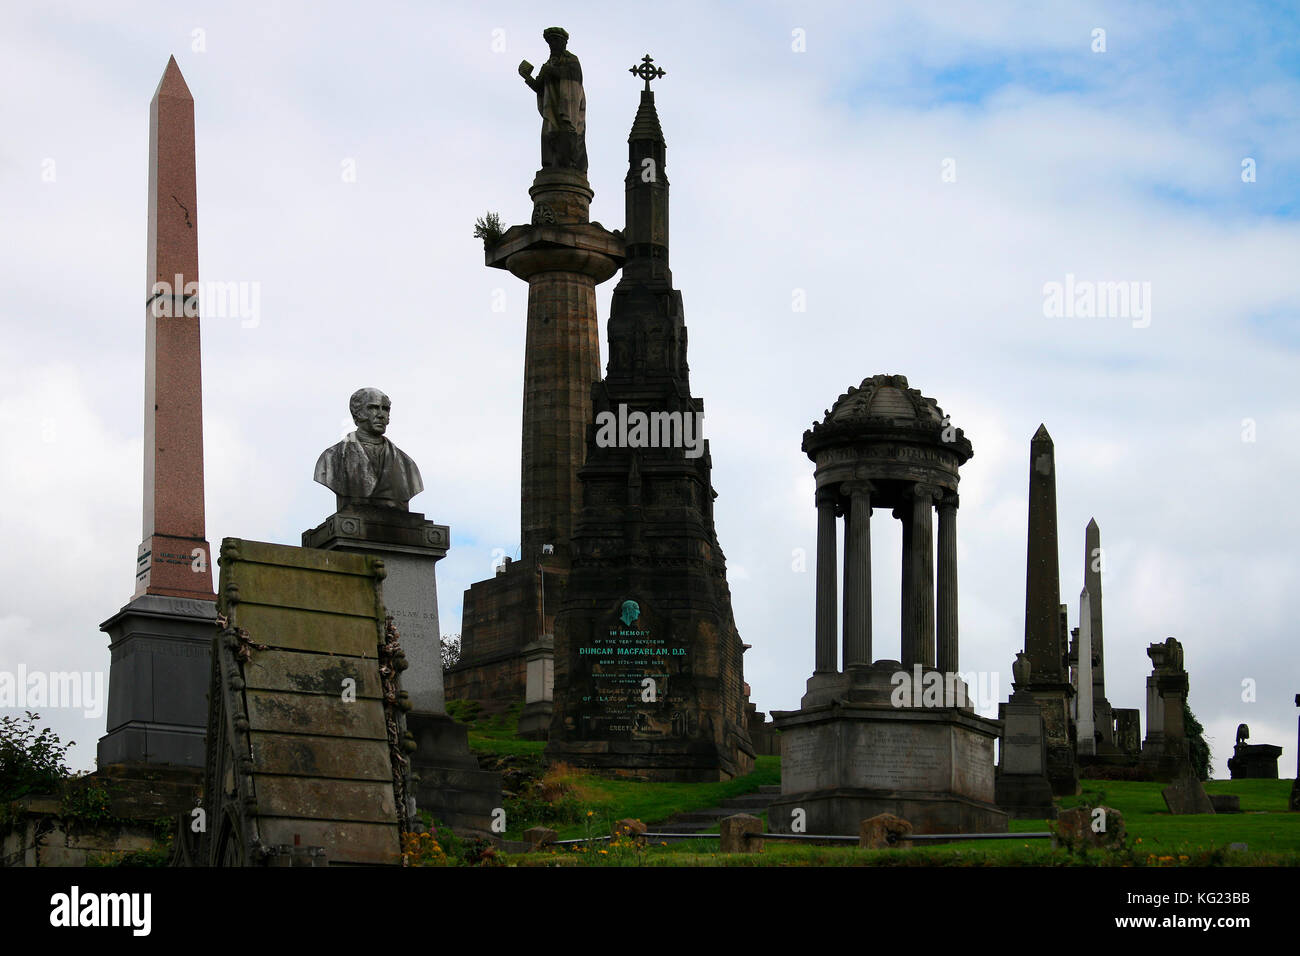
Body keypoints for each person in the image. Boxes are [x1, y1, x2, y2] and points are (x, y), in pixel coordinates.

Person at [314, 387, 423, 510]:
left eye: (385, 409)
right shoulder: (331, 458)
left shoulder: (407, 464)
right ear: (357, 413)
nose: (381, 415)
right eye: (373, 408)